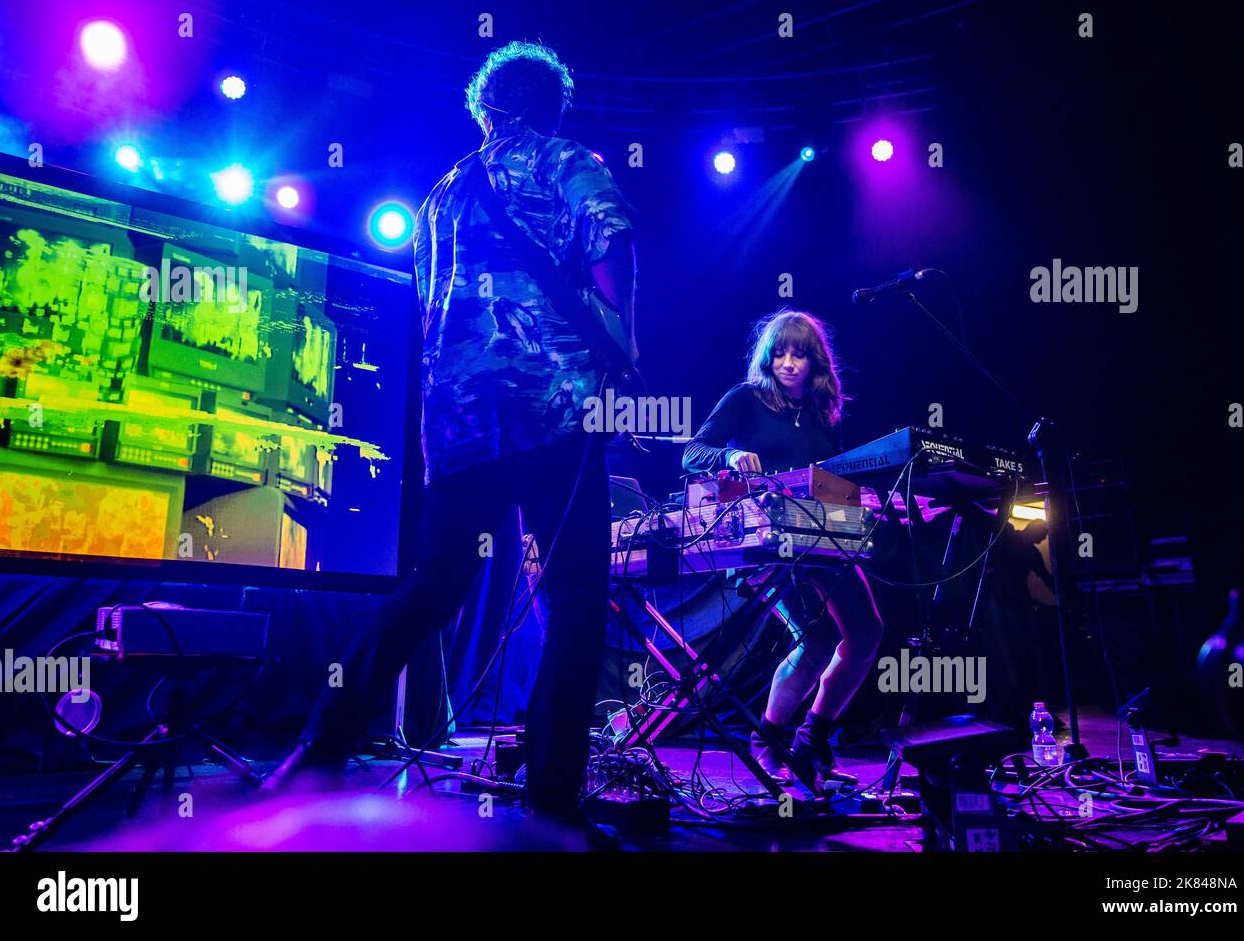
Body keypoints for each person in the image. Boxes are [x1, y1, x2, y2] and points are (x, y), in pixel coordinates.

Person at [264, 41, 637, 820]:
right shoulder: (565, 159)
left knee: (434, 587)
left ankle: (317, 748)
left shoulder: (441, 193)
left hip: (460, 423)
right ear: (553, 105)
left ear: (486, 109)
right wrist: (620, 340)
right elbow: (614, 240)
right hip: (553, 405)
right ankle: (551, 800)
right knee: (575, 599)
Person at [682, 310, 883, 785]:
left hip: (821, 539)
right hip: (767, 546)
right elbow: (692, 453)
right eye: (780, 353)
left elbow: (830, 482)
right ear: (768, 356)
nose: (788, 363)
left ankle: (812, 741)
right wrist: (729, 455)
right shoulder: (746, 400)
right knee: (816, 638)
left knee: (867, 634)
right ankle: (768, 739)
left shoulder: (819, 414)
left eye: (799, 354)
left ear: (816, 362)